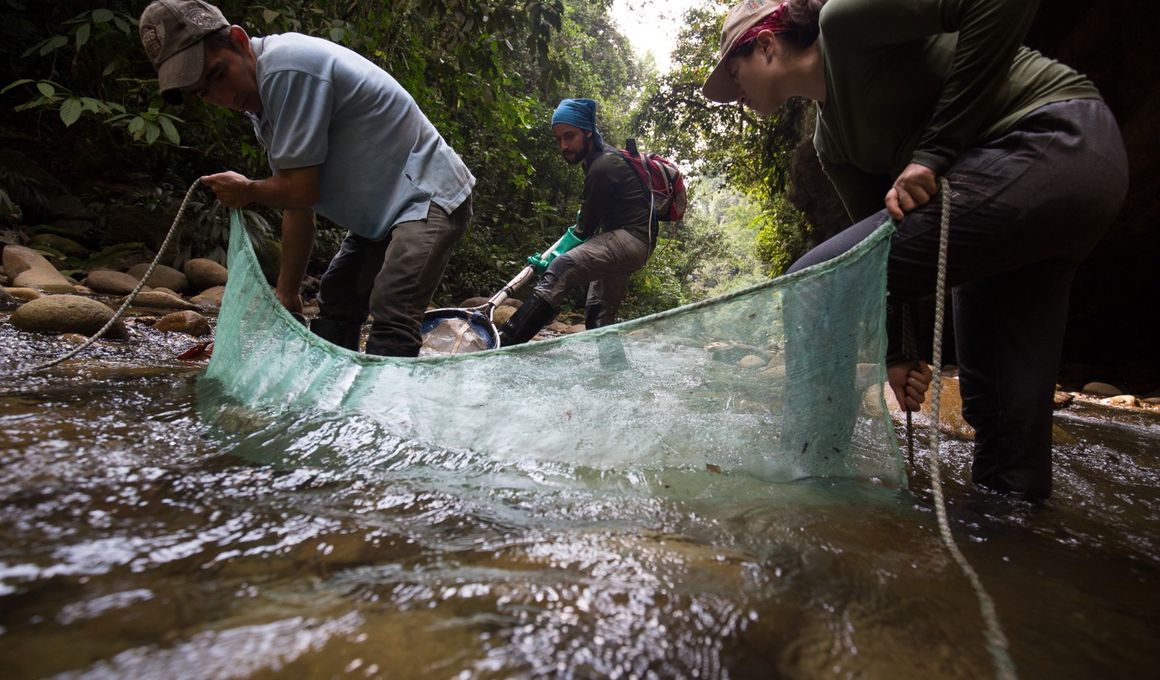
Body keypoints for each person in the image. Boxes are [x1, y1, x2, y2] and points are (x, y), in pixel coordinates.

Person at [702, 0, 1128, 500]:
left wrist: (934, 153)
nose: (735, 96)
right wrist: (899, 353)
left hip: (1055, 142)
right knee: (999, 402)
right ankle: (1010, 541)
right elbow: (878, 242)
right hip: (1023, 205)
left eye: (735, 72)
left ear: (768, 44)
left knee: (818, 283)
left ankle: (812, 487)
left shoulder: (846, 25)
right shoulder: (831, 144)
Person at [138, 0, 475, 356]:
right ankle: (329, 404)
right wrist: (287, 291)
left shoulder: (287, 69)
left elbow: (300, 191)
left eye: (218, 74)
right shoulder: (263, 96)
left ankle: (383, 410)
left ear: (238, 41)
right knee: (339, 295)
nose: (223, 96)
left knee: (392, 305)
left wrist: (247, 190)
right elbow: (296, 205)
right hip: (383, 213)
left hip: (428, 196)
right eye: (204, 93)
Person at [498, 98, 655, 346]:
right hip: (631, 243)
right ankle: (614, 374)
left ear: (588, 132)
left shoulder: (602, 166)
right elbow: (590, 221)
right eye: (559, 139)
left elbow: (585, 231)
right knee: (598, 316)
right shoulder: (602, 160)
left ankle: (504, 345)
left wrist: (551, 259)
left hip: (630, 239)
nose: (564, 146)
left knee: (561, 268)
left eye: (570, 136)